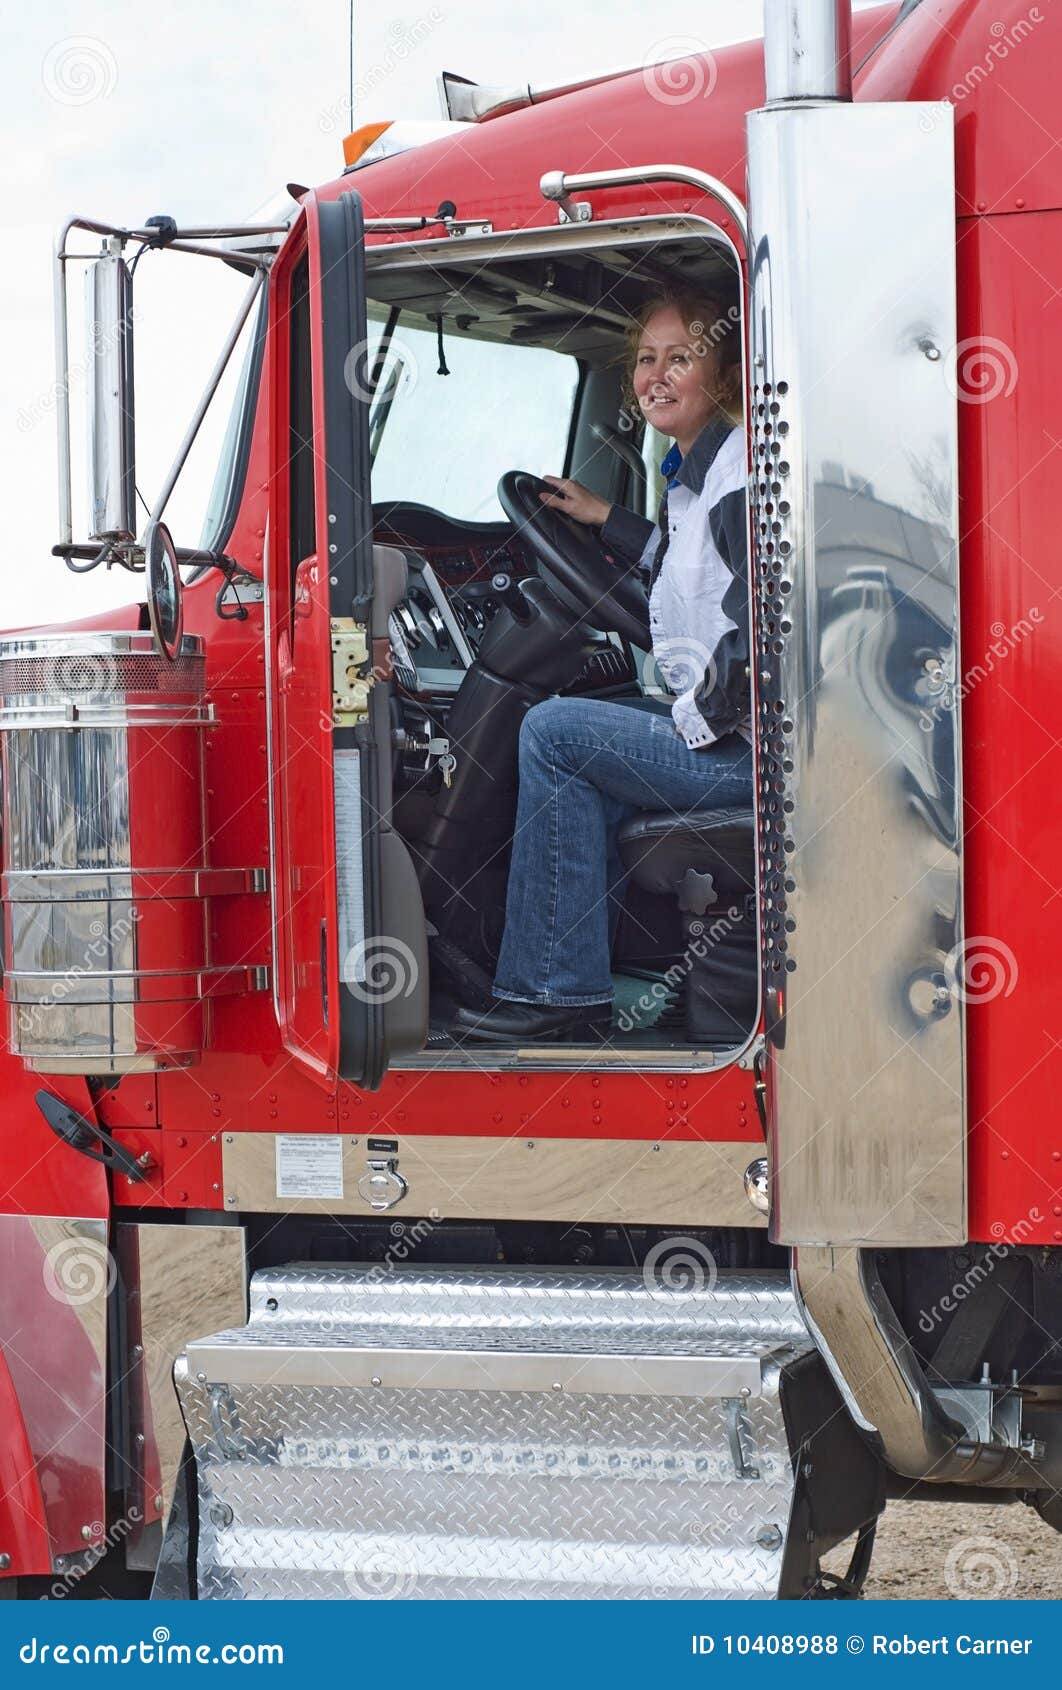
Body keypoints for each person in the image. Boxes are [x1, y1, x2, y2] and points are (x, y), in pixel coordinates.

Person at [451, 289, 754, 1044]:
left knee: (554, 731)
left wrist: (692, 721)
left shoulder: (739, 474)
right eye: (646, 361)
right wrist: (602, 519)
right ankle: (581, 981)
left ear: (721, 372)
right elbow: (688, 570)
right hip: (736, 735)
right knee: (585, 737)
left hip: (752, 754)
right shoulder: (697, 476)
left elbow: (766, 626)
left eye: (679, 358)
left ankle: (553, 991)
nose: (656, 376)